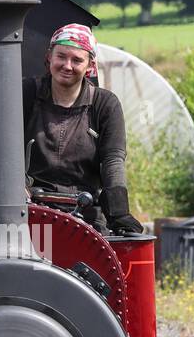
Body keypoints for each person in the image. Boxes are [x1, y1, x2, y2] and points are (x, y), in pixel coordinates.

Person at [22, 23, 143, 234]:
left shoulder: (105, 104)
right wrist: (15, 188)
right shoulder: (27, 93)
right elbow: (4, 147)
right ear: (49, 57)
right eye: (61, 56)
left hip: (85, 213)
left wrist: (119, 214)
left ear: (89, 65)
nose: (67, 66)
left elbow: (112, 160)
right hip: (29, 212)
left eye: (77, 60)